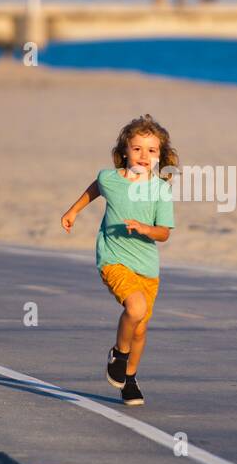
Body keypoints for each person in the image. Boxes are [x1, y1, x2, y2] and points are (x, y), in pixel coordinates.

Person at [61, 114, 177, 406]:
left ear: (160, 156)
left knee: (140, 328)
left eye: (152, 151)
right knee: (134, 308)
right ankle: (119, 355)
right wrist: (73, 211)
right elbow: (96, 188)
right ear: (125, 149)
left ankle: (130, 379)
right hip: (113, 258)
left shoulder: (161, 190)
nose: (143, 155)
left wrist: (145, 229)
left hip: (147, 267)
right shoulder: (109, 178)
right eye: (137, 148)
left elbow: (163, 233)